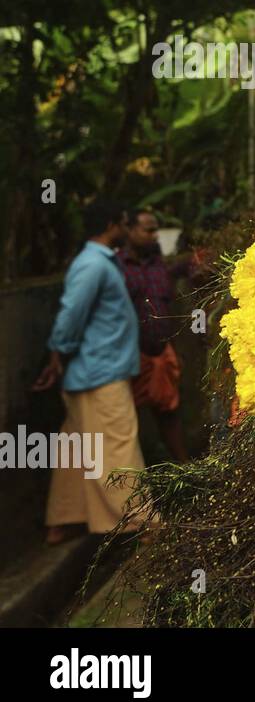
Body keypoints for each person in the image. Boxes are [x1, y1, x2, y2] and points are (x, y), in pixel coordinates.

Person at [32, 199, 148, 544]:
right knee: (116, 448)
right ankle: (143, 522)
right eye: (125, 223)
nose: (128, 230)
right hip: (100, 374)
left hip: (93, 371)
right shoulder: (93, 266)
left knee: (76, 448)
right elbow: (70, 314)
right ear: (113, 224)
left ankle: (64, 519)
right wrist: (58, 353)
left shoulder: (97, 263)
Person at [116, 208, 191, 463]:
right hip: (132, 356)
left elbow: (169, 305)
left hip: (162, 351)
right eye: (148, 229)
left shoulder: (159, 263)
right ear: (130, 230)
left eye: (155, 229)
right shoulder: (116, 267)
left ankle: (183, 472)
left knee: (169, 413)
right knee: (128, 421)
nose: (154, 235)